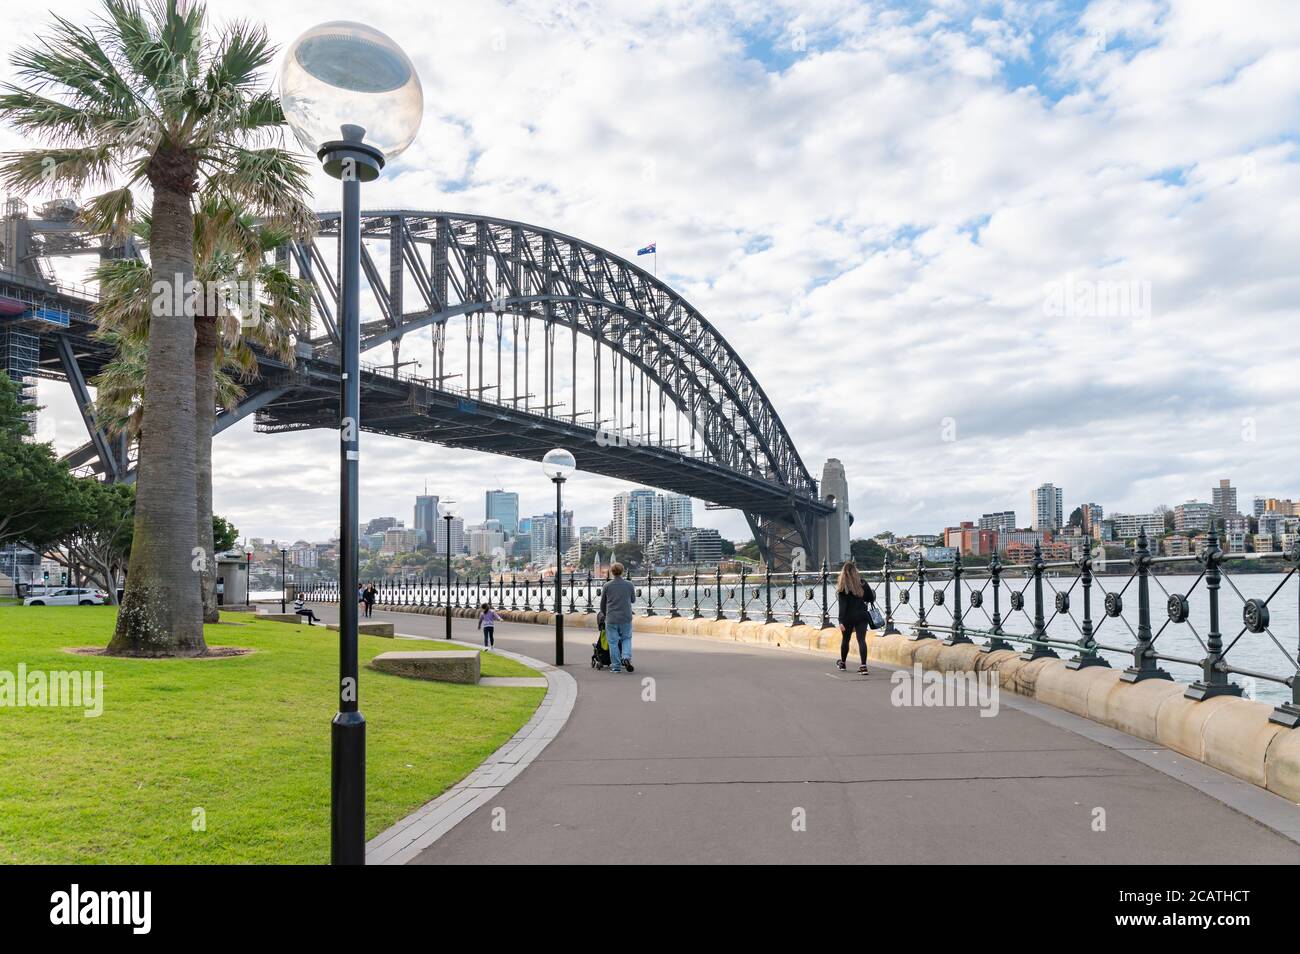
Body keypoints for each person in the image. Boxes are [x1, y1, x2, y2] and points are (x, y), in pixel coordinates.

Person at [835, 561, 875, 674]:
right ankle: (863, 666)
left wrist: (840, 621)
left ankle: (842, 663)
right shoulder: (862, 583)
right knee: (861, 640)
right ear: (855, 572)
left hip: (847, 617)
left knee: (845, 640)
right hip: (862, 615)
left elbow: (842, 606)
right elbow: (870, 598)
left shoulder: (842, 587)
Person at [598, 562, 637, 673]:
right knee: (626, 638)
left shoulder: (607, 586)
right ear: (622, 571)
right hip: (626, 617)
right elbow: (633, 600)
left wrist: (605, 614)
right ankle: (626, 657)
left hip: (611, 618)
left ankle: (616, 667)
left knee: (613, 642)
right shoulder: (629, 585)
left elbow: (602, 604)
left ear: (611, 572)